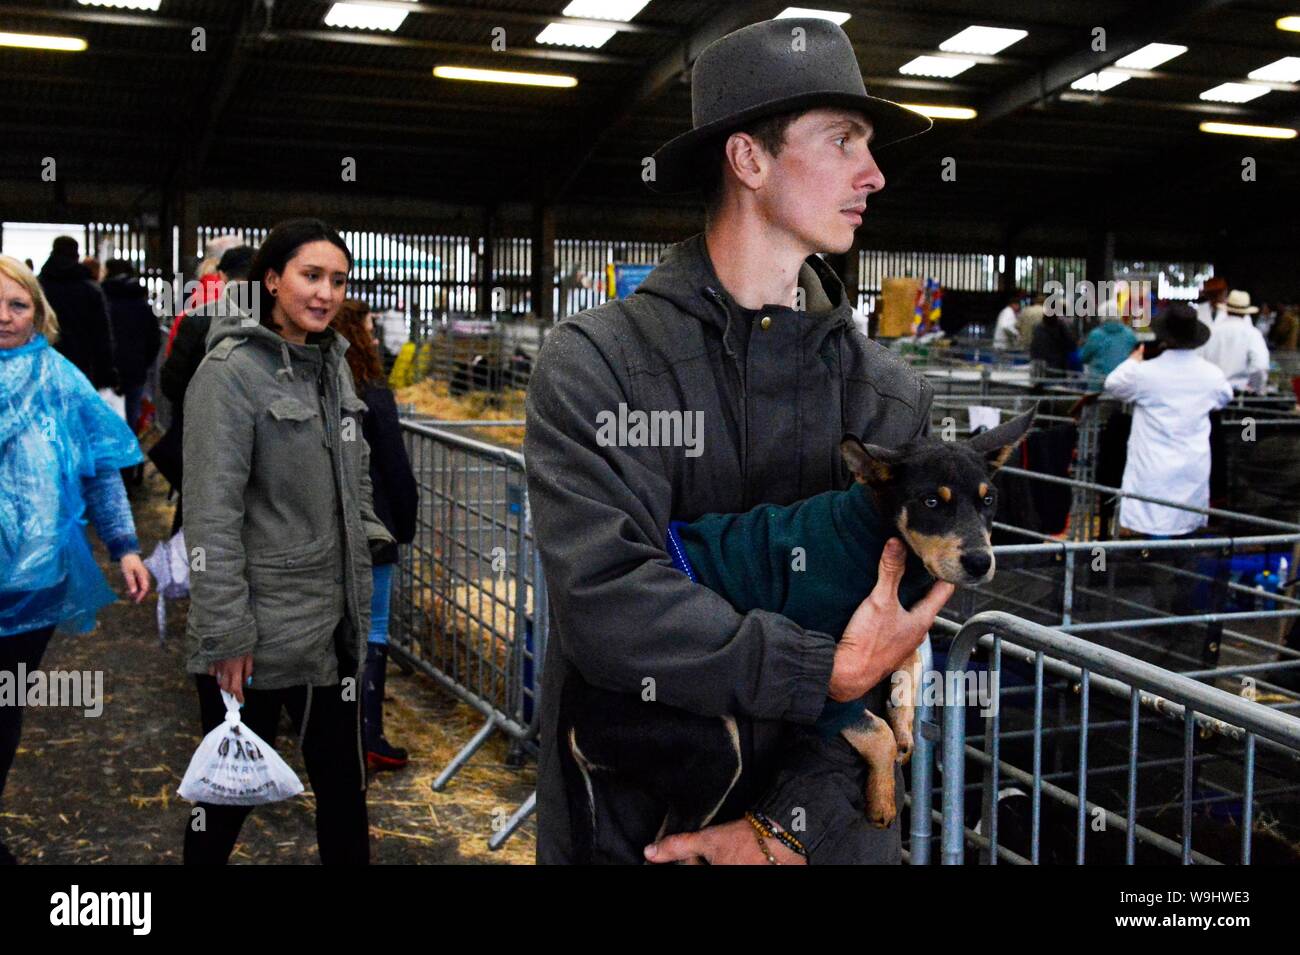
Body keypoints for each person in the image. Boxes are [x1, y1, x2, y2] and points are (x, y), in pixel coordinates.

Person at [525, 18, 951, 866]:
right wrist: (818, 669)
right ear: (749, 161)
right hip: (636, 829)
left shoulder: (887, 394)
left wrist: (784, 828)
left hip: (822, 837)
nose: (873, 174)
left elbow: (906, 628)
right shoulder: (599, 364)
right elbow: (610, 600)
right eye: (842, 139)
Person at [181, 219, 394, 864]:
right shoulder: (229, 374)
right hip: (258, 629)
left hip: (332, 622)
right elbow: (211, 514)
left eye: (338, 280)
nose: (327, 292)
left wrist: (368, 536)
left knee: (344, 789)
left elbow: (352, 471)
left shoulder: (332, 366)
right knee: (224, 798)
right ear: (272, 281)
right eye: (311, 276)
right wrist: (225, 634)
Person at [0, 255, 150, 865]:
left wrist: (126, 546)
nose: (4, 317)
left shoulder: (60, 379)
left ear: (39, 312)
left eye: (17, 304)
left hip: (32, 579)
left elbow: (100, 473)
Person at [331, 299, 419, 772]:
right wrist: (404, 525)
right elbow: (395, 466)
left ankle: (332, 731)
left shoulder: (317, 385)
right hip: (373, 528)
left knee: (334, 627)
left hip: (325, 530)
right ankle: (368, 736)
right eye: (368, 326)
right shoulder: (371, 392)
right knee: (373, 630)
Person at [1104, 303, 1233, 537]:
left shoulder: (1146, 374)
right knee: (1186, 529)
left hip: (1153, 466)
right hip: (1192, 466)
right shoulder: (1212, 375)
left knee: (1154, 528)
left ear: (1164, 336)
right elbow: (1224, 397)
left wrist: (1135, 359)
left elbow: (1113, 383)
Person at [156, 245, 255, 533]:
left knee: (196, 513)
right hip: (250, 439)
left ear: (221, 275)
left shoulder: (198, 317)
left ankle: (189, 568)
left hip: (200, 435)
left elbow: (171, 381)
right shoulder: (271, 321)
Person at [37, 236, 117, 391]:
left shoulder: (38, 287)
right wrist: (106, 371)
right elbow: (102, 334)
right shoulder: (90, 289)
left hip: (44, 364)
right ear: (76, 256)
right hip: (82, 365)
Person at [101, 259, 162, 434]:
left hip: (106, 369)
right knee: (132, 416)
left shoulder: (101, 301)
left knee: (107, 418)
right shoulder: (142, 304)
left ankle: (113, 457)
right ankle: (131, 455)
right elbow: (154, 339)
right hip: (135, 368)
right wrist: (144, 362)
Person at [1198, 290, 1270, 394]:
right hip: (1239, 393)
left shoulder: (1211, 331)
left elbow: (1199, 358)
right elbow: (1260, 366)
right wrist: (1256, 389)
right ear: (1246, 313)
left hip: (1211, 391)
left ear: (1226, 310)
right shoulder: (1252, 334)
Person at [1080, 307, 1138, 389]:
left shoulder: (1095, 335)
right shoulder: (1130, 334)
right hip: (1124, 381)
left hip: (1099, 383)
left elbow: (1084, 357)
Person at [1030, 309, 1077, 375]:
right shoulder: (1061, 328)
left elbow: (1034, 348)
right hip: (1057, 367)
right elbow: (1071, 345)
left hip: (1039, 366)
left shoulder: (1037, 328)